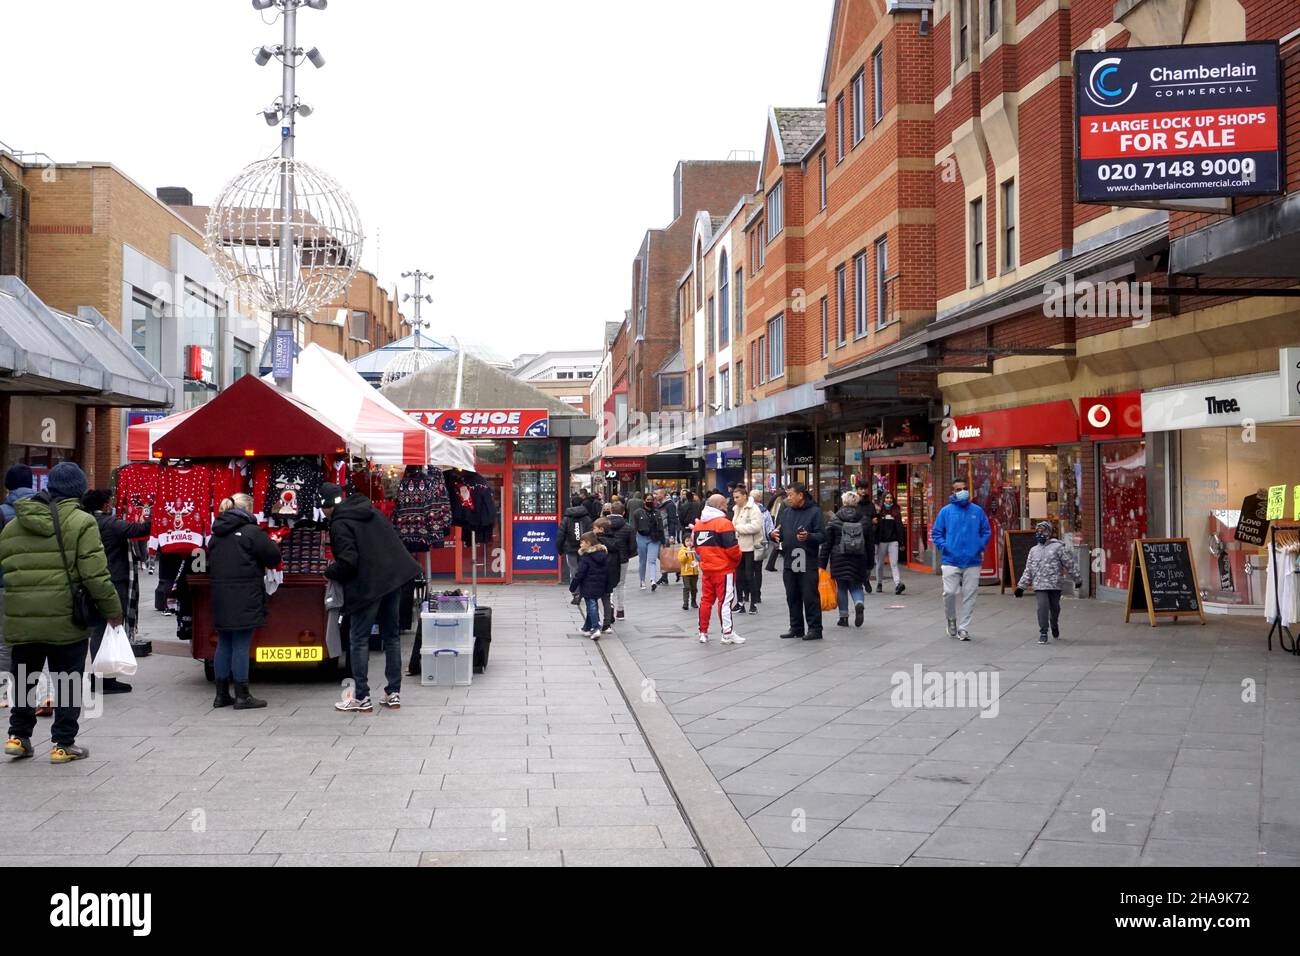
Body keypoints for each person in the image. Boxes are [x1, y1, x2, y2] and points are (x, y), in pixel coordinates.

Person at [1, 462, 122, 763]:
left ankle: (18, 737)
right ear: (79, 490)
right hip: (66, 616)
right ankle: (63, 744)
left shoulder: (14, 524)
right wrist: (113, 610)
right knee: (68, 679)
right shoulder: (82, 522)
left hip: (22, 616)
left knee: (25, 675)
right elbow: (95, 574)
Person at [320, 482, 422, 713]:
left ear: (326, 507)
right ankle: (393, 693)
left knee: (359, 639)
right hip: (393, 579)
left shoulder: (339, 524)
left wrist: (329, 571)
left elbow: (348, 561)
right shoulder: (370, 511)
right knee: (392, 636)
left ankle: (361, 697)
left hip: (368, 586)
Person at [206, 494, 281, 708]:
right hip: (245, 595)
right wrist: (274, 543)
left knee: (224, 642)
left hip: (220, 595)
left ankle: (221, 695)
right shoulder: (251, 532)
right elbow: (273, 558)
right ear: (247, 509)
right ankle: (242, 695)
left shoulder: (216, 534)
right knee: (241, 643)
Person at [81, 490, 151, 694]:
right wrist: (156, 513)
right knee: (108, 627)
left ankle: (99, 675)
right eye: (110, 501)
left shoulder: (87, 521)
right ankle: (105, 678)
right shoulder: (109, 523)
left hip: (93, 581)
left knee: (99, 630)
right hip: (113, 580)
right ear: (104, 505)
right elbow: (140, 528)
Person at [930, 477, 991, 642]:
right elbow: (936, 533)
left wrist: (979, 546)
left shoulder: (977, 511)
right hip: (951, 560)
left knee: (970, 595)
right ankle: (951, 619)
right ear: (953, 492)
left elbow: (986, 531)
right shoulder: (946, 511)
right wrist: (945, 546)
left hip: (972, 561)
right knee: (949, 593)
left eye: (964, 488)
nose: (962, 491)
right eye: (958, 489)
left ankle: (963, 628)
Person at [0, 464, 37, 707]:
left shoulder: (2, 512)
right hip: (38, 584)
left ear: (7, 486)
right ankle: (31, 691)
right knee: (34, 639)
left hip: (6, 582)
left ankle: (4, 691)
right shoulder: (44, 510)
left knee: (5, 639)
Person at [770, 483, 826, 641]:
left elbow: (822, 535)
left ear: (800, 495)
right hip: (789, 558)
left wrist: (809, 536)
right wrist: (772, 535)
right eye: (787, 495)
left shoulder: (814, 512)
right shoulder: (786, 512)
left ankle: (815, 629)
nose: (788, 498)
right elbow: (779, 533)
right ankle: (796, 627)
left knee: (809, 595)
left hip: (806, 558)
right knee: (792, 595)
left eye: (790, 495)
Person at [1016, 521, 1082, 644]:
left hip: (1055, 585)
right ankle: (1043, 632)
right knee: (1042, 607)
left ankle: (1054, 623)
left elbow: (1069, 564)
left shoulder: (1058, 547)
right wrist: (1021, 586)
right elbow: (1028, 569)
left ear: (1049, 533)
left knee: (1055, 608)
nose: (1040, 534)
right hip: (1040, 585)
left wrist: (1077, 578)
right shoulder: (1033, 550)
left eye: (1043, 531)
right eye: (1038, 532)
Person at [692, 494, 743, 645]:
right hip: (723, 569)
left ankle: (703, 632)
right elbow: (733, 549)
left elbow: (697, 548)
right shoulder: (724, 523)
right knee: (725, 601)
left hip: (707, 569)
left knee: (706, 600)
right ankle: (727, 633)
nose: (727, 507)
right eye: (725, 504)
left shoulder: (699, 524)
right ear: (720, 504)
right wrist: (737, 559)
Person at [821, 490, 873, 628]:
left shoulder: (835, 519)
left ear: (843, 502)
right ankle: (858, 603)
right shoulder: (864, 520)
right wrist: (870, 564)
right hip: (859, 557)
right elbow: (869, 544)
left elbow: (827, 544)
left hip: (839, 557)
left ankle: (843, 617)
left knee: (842, 587)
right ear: (856, 502)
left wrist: (822, 563)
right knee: (856, 585)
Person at [569, 531, 609, 639]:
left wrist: (573, 587)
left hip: (588, 584)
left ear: (588, 543)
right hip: (600, 584)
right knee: (591, 605)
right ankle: (587, 627)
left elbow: (580, 573)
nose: (580, 545)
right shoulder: (603, 554)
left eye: (582, 542)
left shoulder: (586, 557)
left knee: (591, 605)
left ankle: (596, 627)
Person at [731, 485, 764, 615]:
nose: (735, 500)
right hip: (738, 547)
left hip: (750, 547)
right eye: (734, 497)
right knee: (739, 577)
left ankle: (753, 603)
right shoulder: (736, 509)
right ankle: (740, 603)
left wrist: (738, 528)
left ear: (745, 496)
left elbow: (756, 526)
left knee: (750, 576)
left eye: (737, 497)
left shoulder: (754, 509)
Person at [560, 494, 594, 603]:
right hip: (585, 549)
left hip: (570, 549)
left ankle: (576, 593)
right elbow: (591, 534)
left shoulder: (566, 518)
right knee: (585, 569)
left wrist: (560, 548)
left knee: (574, 570)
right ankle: (585, 590)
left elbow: (561, 534)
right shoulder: (587, 518)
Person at [607, 501, 636, 620]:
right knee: (621, 584)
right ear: (623, 512)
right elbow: (633, 547)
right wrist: (626, 555)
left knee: (608, 583)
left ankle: (610, 606)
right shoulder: (628, 527)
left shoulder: (604, 525)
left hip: (607, 558)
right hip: (622, 559)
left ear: (610, 511)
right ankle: (620, 610)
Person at [873, 490, 905, 595]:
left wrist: (901, 542)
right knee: (880, 564)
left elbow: (899, 527)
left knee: (894, 563)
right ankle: (879, 583)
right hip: (881, 541)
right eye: (887, 498)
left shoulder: (896, 511)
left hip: (893, 541)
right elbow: (875, 527)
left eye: (891, 498)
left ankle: (897, 584)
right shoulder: (879, 511)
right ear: (883, 499)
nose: (889, 499)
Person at [593, 517, 621, 634]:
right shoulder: (615, 540)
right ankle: (607, 624)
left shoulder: (597, 541)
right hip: (611, 575)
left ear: (601, 529)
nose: (593, 530)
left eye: (594, 528)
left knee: (594, 599)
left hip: (598, 574)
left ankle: (596, 622)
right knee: (607, 598)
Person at [633, 492, 664, 590]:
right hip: (641, 537)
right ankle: (642, 580)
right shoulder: (638, 512)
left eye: (651, 500)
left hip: (654, 538)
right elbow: (634, 526)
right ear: (644, 500)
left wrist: (663, 540)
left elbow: (661, 526)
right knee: (642, 561)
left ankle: (652, 580)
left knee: (652, 560)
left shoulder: (657, 512)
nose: (650, 501)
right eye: (648, 500)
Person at [749, 489, 772, 606]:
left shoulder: (747, 510)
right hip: (761, 543)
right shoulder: (765, 512)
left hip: (748, 543)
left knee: (748, 569)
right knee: (758, 570)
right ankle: (757, 594)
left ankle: (748, 593)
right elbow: (770, 529)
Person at [764, 488, 787, 573]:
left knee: (778, 544)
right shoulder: (782, 501)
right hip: (778, 523)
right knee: (779, 544)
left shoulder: (775, 498)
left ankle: (770, 565)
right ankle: (771, 565)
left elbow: (769, 508)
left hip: (775, 521)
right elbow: (779, 514)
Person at [678, 538, 700, 611]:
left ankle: (693, 601)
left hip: (695, 572)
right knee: (687, 587)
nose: (689, 543)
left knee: (694, 588)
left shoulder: (695, 550)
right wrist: (686, 554)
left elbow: (699, 558)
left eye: (690, 541)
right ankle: (685, 603)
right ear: (684, 542)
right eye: (687, 541)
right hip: (686, 572)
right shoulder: (682, 550)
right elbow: (681, 560)